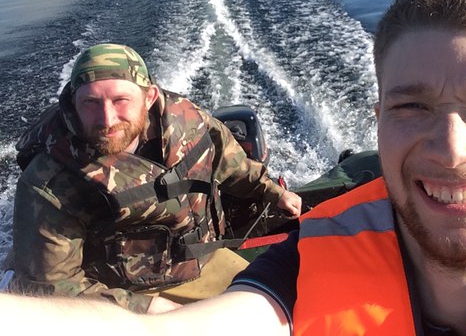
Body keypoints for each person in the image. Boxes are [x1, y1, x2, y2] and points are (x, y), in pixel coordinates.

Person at [1, 0, 466, 335]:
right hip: (121, 288)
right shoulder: (304, 267)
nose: (451, 149)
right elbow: (54, 294)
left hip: (196, 258)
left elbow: (236, 169)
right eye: (413, 106)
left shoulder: (189, 125)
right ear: (379, 122)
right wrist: (145, 309)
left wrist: (278, 197)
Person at [3, 43, 301, 314]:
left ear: (149, 97)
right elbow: (53, 287)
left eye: (121, 100)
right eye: (90, 102)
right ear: (72, 102)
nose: (107, 119)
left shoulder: (188, 120)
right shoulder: (50, 180)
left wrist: (272, 192)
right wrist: (145, 308)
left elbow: (230, 162)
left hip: (205, 261)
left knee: (288, 304)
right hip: (113, 296)